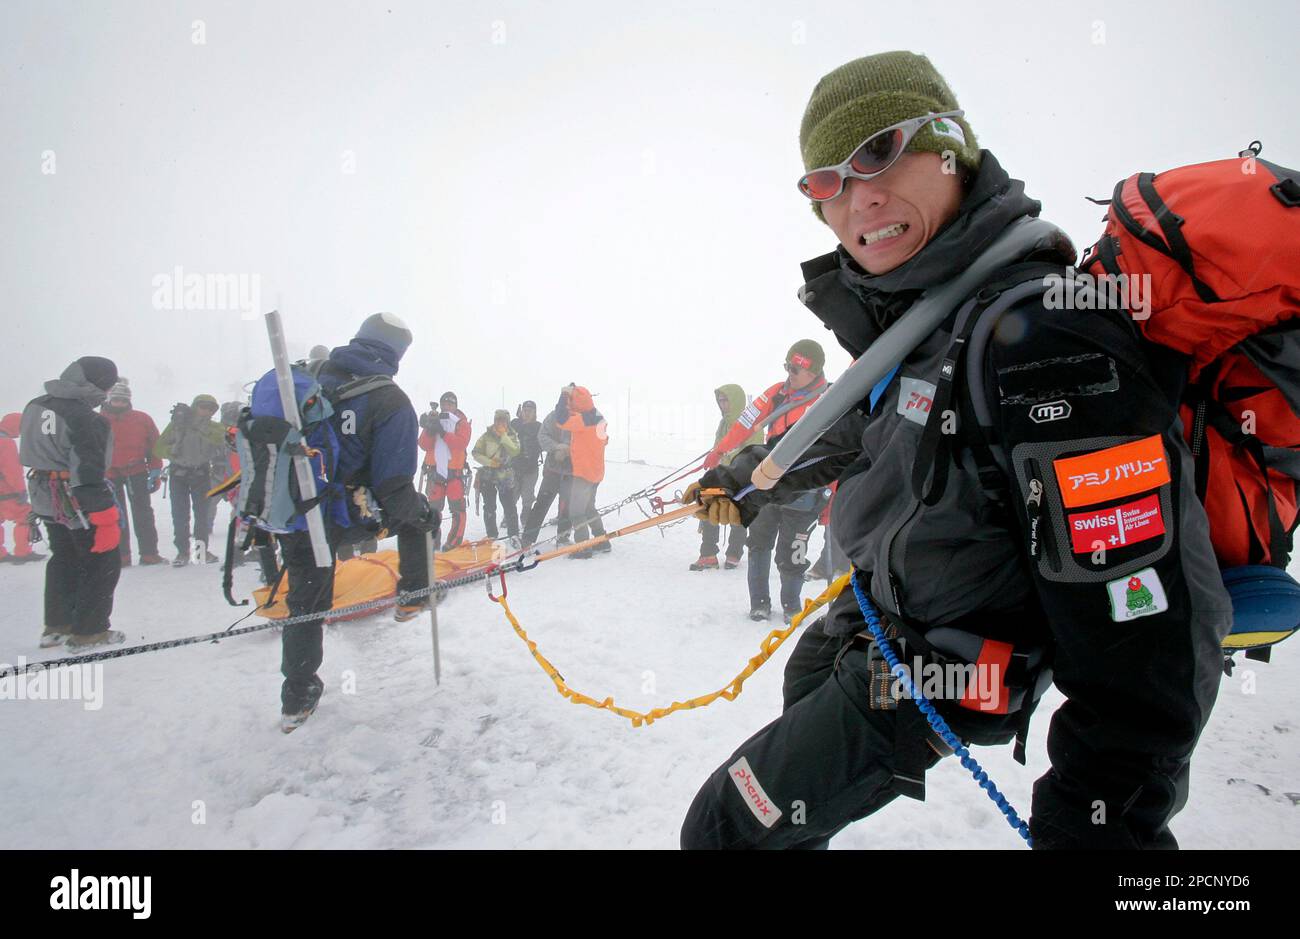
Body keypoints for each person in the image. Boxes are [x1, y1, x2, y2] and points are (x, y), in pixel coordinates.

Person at [680, 52, 1230, 851]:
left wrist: (1106, 808)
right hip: (881, 618)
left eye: (880, 151)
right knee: (807, 683)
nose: (859, 195)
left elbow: (1150, 614)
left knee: (724, 828)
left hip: (955, 658)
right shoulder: (927, 321)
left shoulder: (1043, 334)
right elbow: (862, 424)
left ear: (951, 149)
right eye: (827, 181)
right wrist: (750, 477)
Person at [266, 312, 436, 731]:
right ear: (397, 353)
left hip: (298, 510)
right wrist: (422, 514)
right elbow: (394, 488)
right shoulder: (389, 399)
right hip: (348, 514)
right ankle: (413, 595)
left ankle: (297, 697)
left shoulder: (307, 380)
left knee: (305, 604)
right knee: (420, 517)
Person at [708, 341, 830, 622]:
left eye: (795, 369)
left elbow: (837, 453)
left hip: (804, 492)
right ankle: (759, 603)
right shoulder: (777, 394)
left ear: (813, 371)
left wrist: (831, 499)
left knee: (792, 554)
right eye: (787, 366)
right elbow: (744, 423)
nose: (789, 373)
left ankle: (791, 606)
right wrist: (720, 449)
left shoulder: (828, 400)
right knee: (758, 544)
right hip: (767, 485)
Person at [19, 357, 124, 647]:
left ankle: (57, 625)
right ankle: (90, 631)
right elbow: (87, 472)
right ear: (99, 384)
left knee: (64, 557)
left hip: (42, 491)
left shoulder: (35, 405)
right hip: (75, 497)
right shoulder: (87, 419)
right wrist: (103, 515)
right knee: (101, 560)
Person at [689, 384, 761, 571]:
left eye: (726, 400)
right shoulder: (724, 423)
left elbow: (752, 451)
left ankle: (734, 553)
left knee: (737, 514)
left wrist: (725, 458)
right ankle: (708, 554)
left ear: (735, 401)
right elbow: (718, 447)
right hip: (722, 474)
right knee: (707, 507)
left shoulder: (751, 423)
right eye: (720, 401)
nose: (723, 405)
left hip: (742, 478)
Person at [154, 394, 227, 566]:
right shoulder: (178, 425)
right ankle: (183, 552)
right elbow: (158, 448)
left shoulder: (214, 428)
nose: (206, 411)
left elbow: (220, 441)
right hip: (180, 475)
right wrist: (172, 450)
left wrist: (194, 426)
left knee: (201, 515)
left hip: (200, 474)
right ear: (195, 406)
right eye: (203, 407)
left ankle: (200, 552)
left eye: (210, 408)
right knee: (180, 515)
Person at [100, 379, 165, 566]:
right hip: (109, 474)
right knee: (115, 515)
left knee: (143, 513)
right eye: (116, 400)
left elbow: (154, 444)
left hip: (136, 471)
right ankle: (121, 556)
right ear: (109, 400)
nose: (119, 403)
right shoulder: (99, 420)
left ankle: (149, 553)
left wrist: (155, 468)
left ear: (128, 400)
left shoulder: (142, 419)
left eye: (123, 400)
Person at [558, 386, 610, 559]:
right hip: (596, 472)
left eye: (572, 400)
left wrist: (563, 395)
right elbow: (605, 440)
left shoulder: (584, 420)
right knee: (588, 508)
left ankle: (583, 547)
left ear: (578, 402)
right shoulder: (597, 417)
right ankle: (601, 540)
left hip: (584, 473)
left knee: (576, 511)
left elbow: (561, 420)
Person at [521, 386, 576, 549]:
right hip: (552, 469)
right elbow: (542, 436)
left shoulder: (580, 418)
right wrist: (557, 447)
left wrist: (569, 450)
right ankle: (527, 539)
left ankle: (563, 538)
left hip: (571, 471)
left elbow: (585, 441)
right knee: (542, 503)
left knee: (566, 506)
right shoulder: (553, 416)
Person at [418, 391, 472, 551]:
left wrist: (442, 433)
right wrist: (429, 429)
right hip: (435, 472)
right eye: (444, 404)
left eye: (450, 404)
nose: (447, 407)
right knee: (433, 509)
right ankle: (433, 541)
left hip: (455, 473)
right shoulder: (434, 420)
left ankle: (454, 542)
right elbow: (423, 444)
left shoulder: (461, 423)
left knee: (457, 509)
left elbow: (461, 443)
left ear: (456, 406)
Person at [471, 410, 521, 543]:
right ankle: (492, 535)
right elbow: (475, 452)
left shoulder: (512, 435)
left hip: (505, 476)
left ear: (508, 422)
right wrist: (489, 462)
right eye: (498, 420)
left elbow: (515, 451)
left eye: (503, 420)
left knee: (509, 506)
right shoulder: (486, 436)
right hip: (487, 475)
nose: (500, 422)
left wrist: (504, 436)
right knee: (489, 506)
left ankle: (514, 534)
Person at [0, 412, 41, 564]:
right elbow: (13, 472)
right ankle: (23, 553)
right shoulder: (6, 443)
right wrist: (21, 491)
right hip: (7, 492)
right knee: (25, 517)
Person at [510, 400, 542, 521]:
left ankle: (526, 517)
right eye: (525, 410)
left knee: (528, 496)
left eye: (530, 411)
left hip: (531, 468)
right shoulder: (514, 424)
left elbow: (543, 443)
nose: (527, 413)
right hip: (514, 467)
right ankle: (509, 518)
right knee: (512, 495)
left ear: (535, 413)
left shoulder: (539, 427)